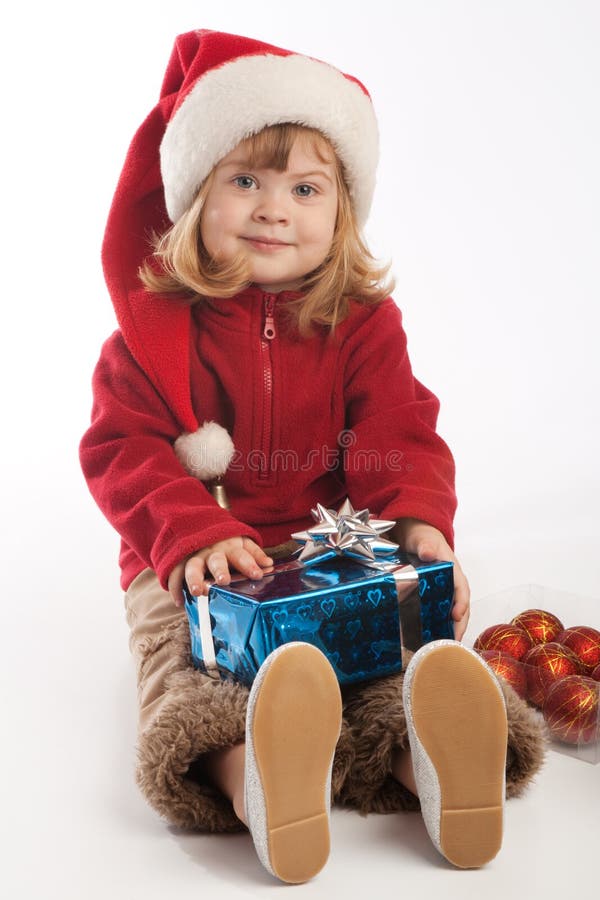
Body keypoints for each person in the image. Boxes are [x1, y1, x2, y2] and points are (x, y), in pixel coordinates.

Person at [80, 28, 545, 884]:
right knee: (186, 672)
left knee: (388, 656)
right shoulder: (152, 337)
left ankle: (433, 763)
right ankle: (254, 775)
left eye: (304, 187)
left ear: (340, 213)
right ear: (192, 197)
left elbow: (398, 431)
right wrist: (188, 534)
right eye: (244, 179)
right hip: (186, 557)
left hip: (332, 544)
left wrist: (418, 526)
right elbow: (122, 449)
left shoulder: (362, 324)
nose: (273, 207)